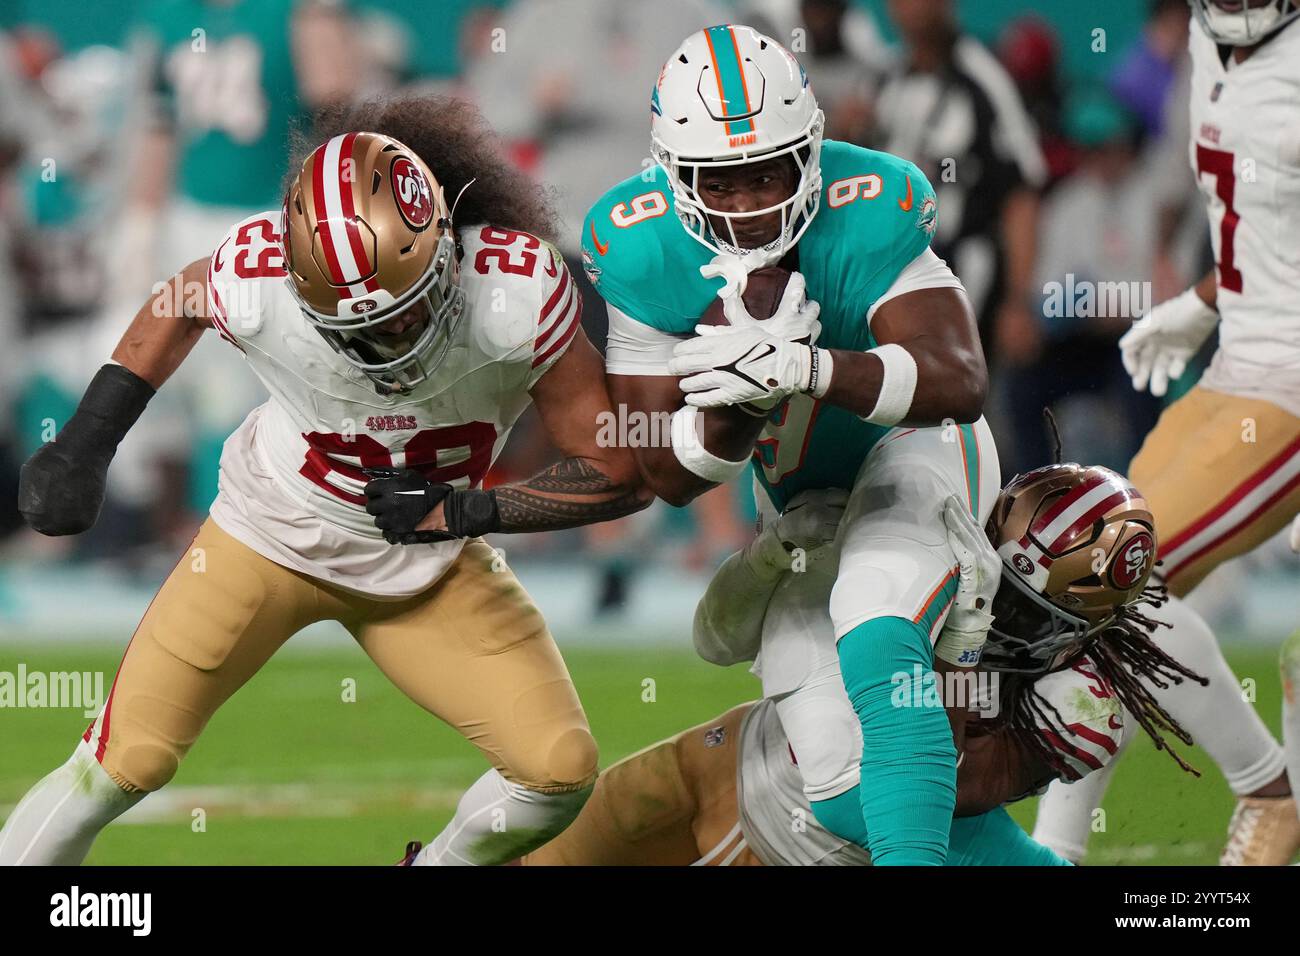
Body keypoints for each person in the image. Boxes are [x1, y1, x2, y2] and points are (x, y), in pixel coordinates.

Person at [0, 96, 654, 867]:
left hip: (428, 569)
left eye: (406, 313)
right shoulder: (263, 277)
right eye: (361, 328)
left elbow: (618, 471)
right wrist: (87, 441)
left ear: (445, 249)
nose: (390, 342)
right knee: (121, 763)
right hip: (265, 536)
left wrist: (465, 510)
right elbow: (177, 301)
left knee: (557, 772)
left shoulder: (515, 292)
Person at [583, 24, 992, 865]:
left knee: (873, 612)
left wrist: (809, 367)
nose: (749, 204)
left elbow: (957, 379)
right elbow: (661, 468)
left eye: (768, 172)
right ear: (672, 176)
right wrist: (741, 404)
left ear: (810, 148)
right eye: (720, 182)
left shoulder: (870, 200)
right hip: (800, 501)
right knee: (837, 782)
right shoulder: (637, 245)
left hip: (909, 450)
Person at [510, 464, 1203, 866]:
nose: (1000, 610)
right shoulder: (944, 528)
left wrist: (962, 642)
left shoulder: (1079, 702)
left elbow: (943, 791)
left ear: (1080, 624)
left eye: (1024, 607)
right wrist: (773, 553)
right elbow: (716, 640)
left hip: (789, 835)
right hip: (735, 747)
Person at [1034, 0, 1300, 866]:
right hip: (1235, 369)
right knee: (1093, 584)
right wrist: (1203, 301)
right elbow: (1263, 223)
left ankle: (1270, 792)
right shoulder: (1205, 41)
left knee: (1117, 579)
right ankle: (1056, 854)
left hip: (1288, 387)